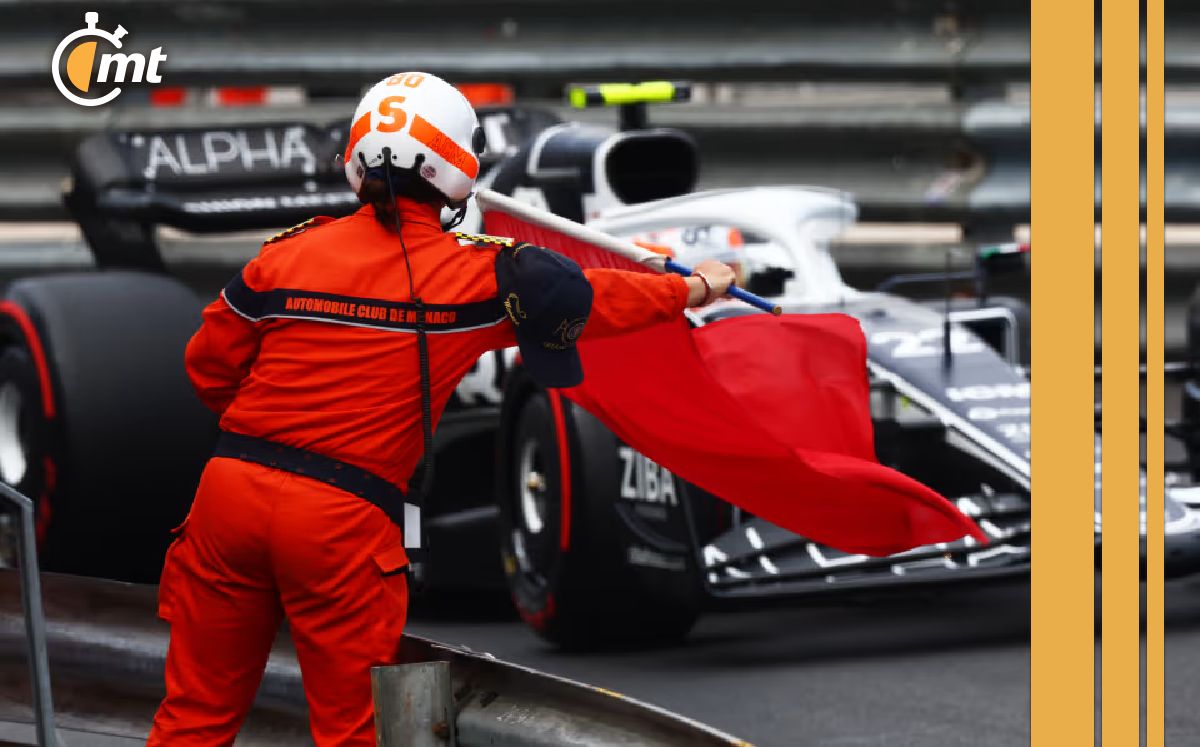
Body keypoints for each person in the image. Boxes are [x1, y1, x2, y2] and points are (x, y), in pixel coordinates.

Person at [147, 72, 735, 746]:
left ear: (358, 159)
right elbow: (593, 300)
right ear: (456, 164)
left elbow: (206, 367)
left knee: (194, 716)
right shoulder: (474, 274)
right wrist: (689, 287)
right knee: (360, 729)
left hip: (228, 495)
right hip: (341, 517)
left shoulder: (282, 256)